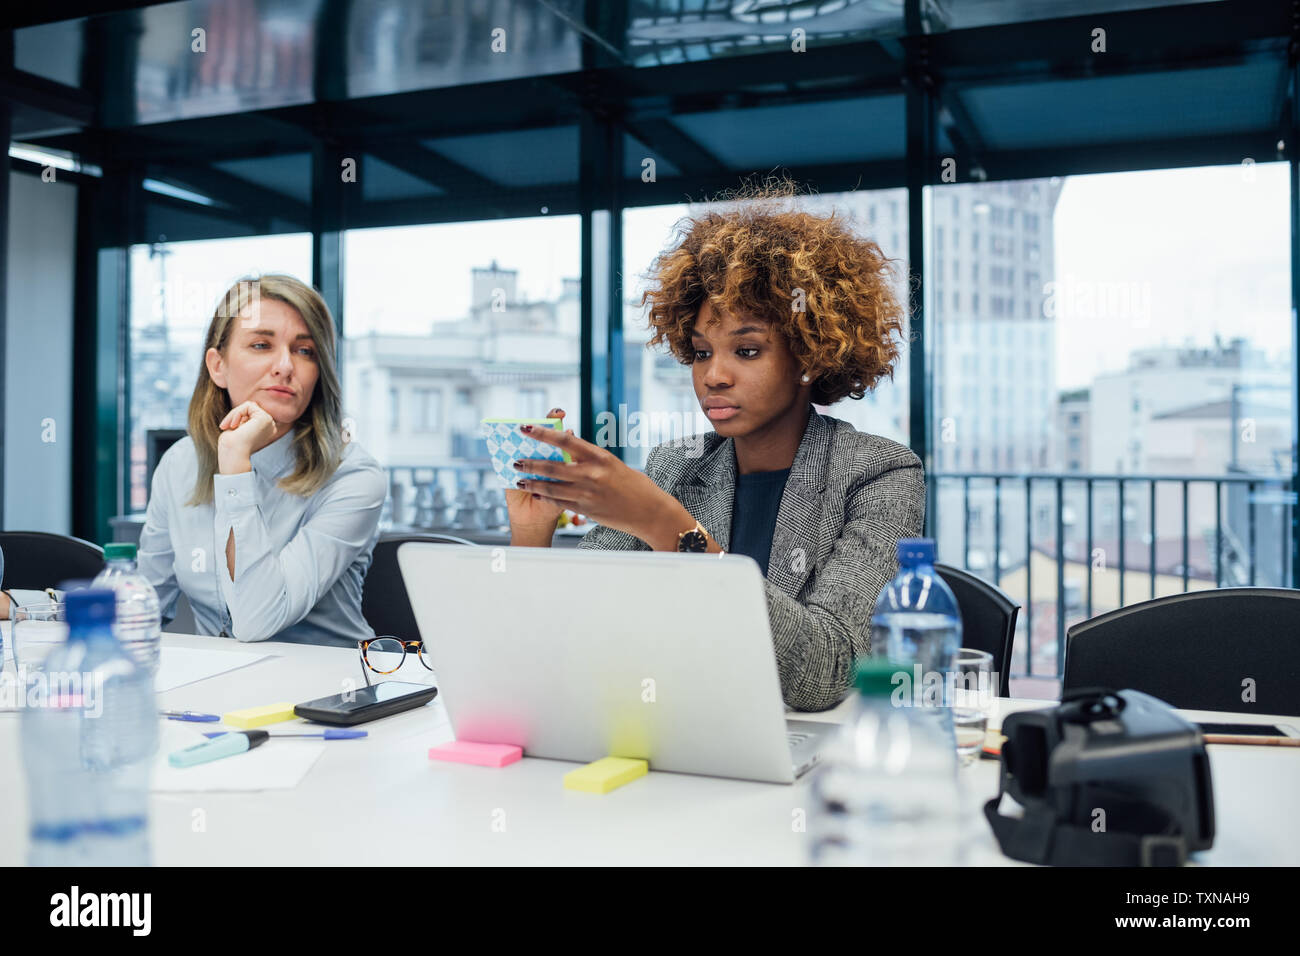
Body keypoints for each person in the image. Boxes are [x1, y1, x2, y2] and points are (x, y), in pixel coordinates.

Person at [506, 185, 925, 711]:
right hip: (685, 732)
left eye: (746, 351)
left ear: (810, 356)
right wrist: (532, 531)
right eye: (701, 352)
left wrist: (672, 531)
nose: (714, 376)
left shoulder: (879, 474)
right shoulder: (676, 465)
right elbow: (572, 633)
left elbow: (825, 673)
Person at [136, 275, 387, 647]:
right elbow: (140, 607)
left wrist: (236, 462)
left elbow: (256, 619)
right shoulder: (179, 464)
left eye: (305, 351)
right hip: (221, 691)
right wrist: (31, 608)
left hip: (328, 693)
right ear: (217, 365)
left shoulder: (353, 475)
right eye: (261, 345)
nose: (285, 366)